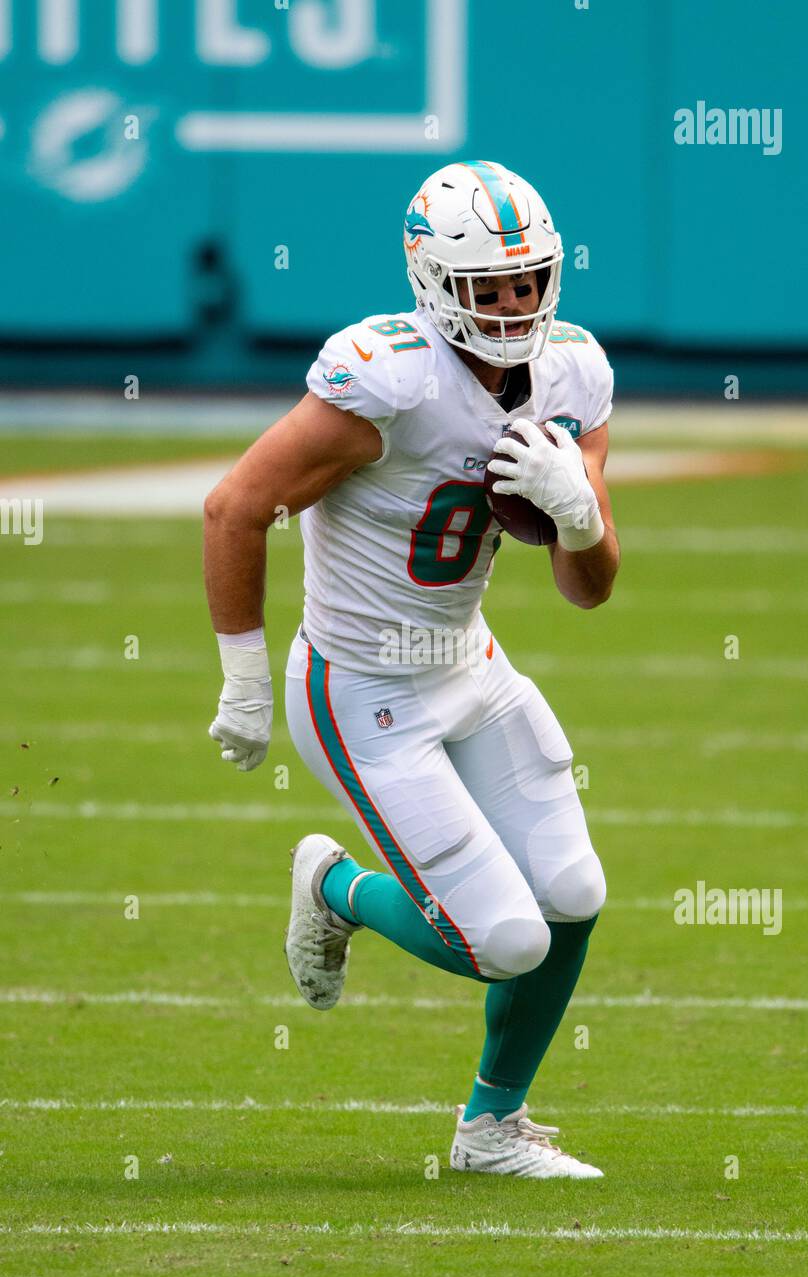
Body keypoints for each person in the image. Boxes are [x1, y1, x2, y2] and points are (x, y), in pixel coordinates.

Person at [203, 160, 620, 1178]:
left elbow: (589, 589)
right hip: (362, 689)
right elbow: (234, 504)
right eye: (490, 287)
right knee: (503, 941)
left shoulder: (573, 374)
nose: (515, 305)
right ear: (435, 284)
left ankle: (489, 1131)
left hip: (469, 665)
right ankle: (335, 886)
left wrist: (579, 513)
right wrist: (246, 678)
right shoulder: (384, 379)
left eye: (528, 282)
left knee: (573, 888)